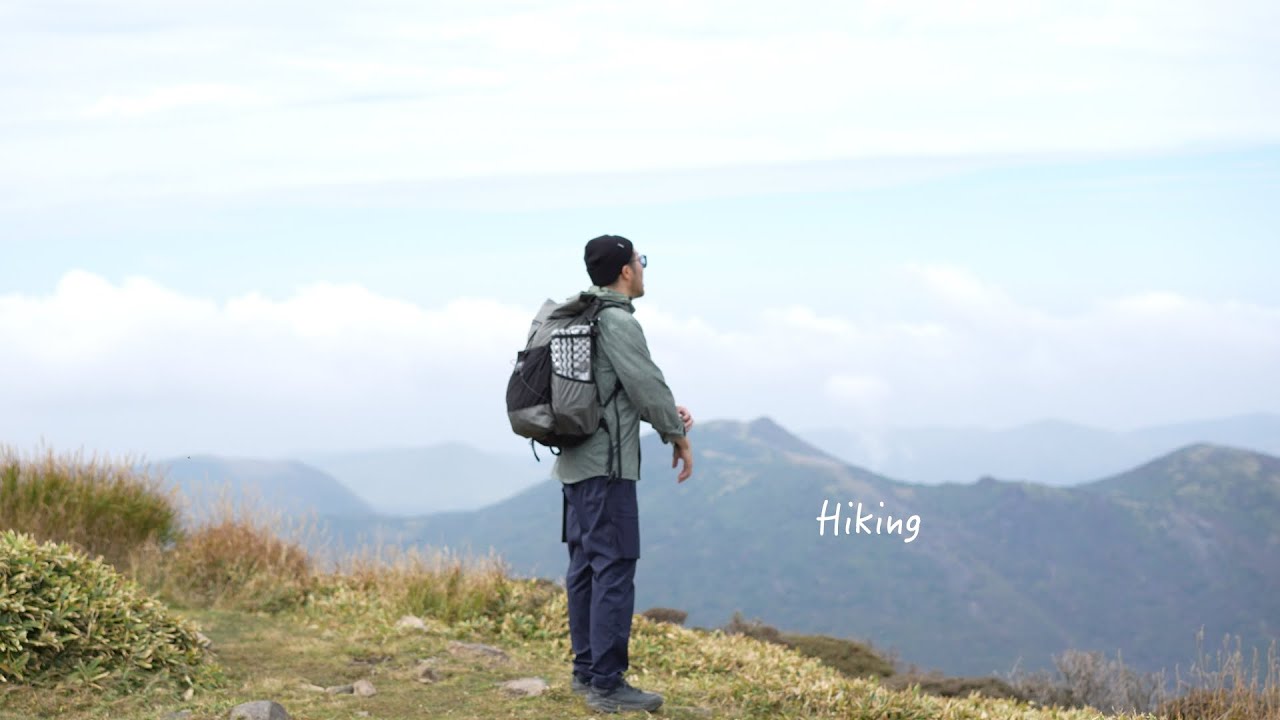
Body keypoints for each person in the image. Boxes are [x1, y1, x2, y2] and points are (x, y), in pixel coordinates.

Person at [555, 235, 695, 713]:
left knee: (585, 568)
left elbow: (614, 390)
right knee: (614, 568)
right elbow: (645, 382)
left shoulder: (582, 315)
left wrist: (664, 412)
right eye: (640, 260)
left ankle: (586, 671)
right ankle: (607, 684)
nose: (642, 267)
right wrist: (676, 433)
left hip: (574, 464)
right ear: (626, 271)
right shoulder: (617, 321)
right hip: (607, 468)